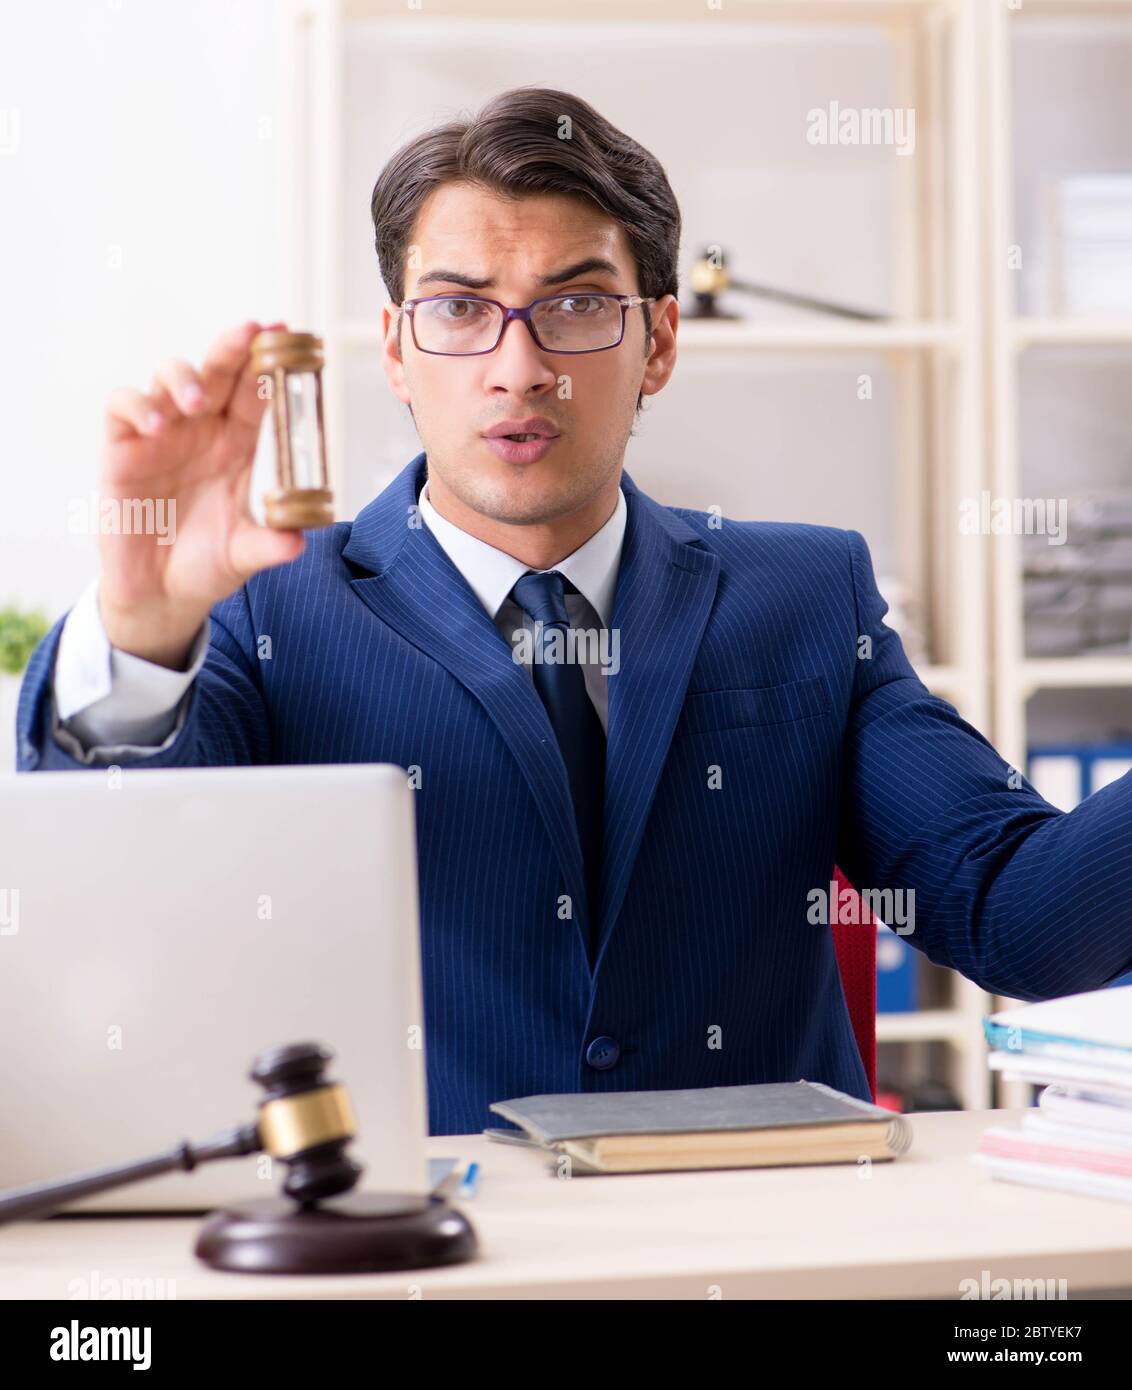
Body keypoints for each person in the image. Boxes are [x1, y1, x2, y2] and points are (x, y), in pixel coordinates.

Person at [16, 87, 1132, 1135]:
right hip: (422, 1255)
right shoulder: (261, 609)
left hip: (764, 1241)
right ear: (398, 349)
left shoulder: (805, 595)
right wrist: (140, 631)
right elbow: (127, 921)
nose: (520, 366)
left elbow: (1018, 916)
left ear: (660, 342)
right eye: (460, 309)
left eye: (577, 305)